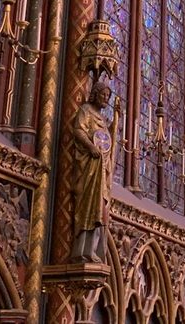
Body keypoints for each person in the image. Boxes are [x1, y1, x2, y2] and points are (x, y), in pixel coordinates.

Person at [72, 80, 114, 262]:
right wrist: (90, 147)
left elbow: (107, 142)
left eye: (108, 96)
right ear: (95, 94)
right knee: (90, 206)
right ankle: (82, 250)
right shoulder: (85, 111)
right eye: (103, 94)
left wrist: (116, 123)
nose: (105, 98)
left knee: (101, 208)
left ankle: (93, 249)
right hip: (89, 168)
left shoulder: (103, 119)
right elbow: (78, 131)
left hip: (101, 169)